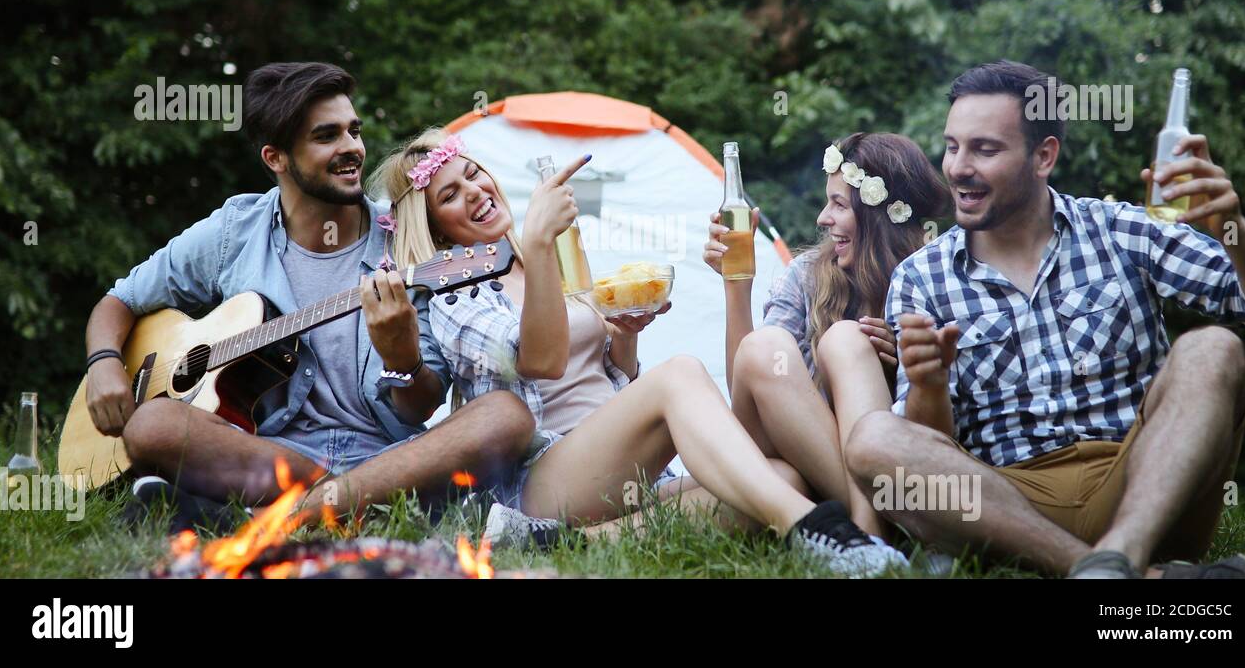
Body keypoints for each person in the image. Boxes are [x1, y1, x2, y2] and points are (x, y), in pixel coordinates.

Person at [367, 127, 910, 576]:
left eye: (473, 175)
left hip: (608, 472)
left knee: (777, 480)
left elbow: (607, 379)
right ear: (434, 227)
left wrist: (623, 339)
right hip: (539, 475)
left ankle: (555, 545)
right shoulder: (456, 295)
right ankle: (825, 535)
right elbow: (540, 360)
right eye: (450, 195)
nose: (475, 192)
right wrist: (534, 240)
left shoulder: (552, 261)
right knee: (681, 375)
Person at [849, 59, 1245, 578]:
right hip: (1008, 503)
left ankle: (1119, 553)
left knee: (1215, 348)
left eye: (985, 149)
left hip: (1146, 486)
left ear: (1043, 156)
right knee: (875, 437)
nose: (959, 167)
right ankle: (1115, 572)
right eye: (952, 146)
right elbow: (927, 445)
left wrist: (1235, 228)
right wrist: (929, 384)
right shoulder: (922, 278)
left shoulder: (1120, 229)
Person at [83, 62, 534, 527]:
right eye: (327, 136)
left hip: (386, 460)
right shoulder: (234, 233)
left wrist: (404, 358)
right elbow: (118, 302)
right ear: (276, 158)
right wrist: (103, 362)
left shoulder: (406, 246)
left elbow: (420, 406)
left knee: (505, 416)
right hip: (268, 455)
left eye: (353, 131)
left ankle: (280, 516)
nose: (352, 149)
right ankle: (334, 509)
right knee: (151, 425)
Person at [703, 132, 948, 541]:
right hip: (802, 462)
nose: (822, 218)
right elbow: (750, 387)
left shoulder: (933, 280)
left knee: (845, 340)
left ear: (881, 214)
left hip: (901, 471)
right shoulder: (806, 276)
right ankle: (873, 535)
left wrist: (907, 361)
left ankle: (864, 536)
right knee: (766, 346)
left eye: (838, 204)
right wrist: (735, 286)